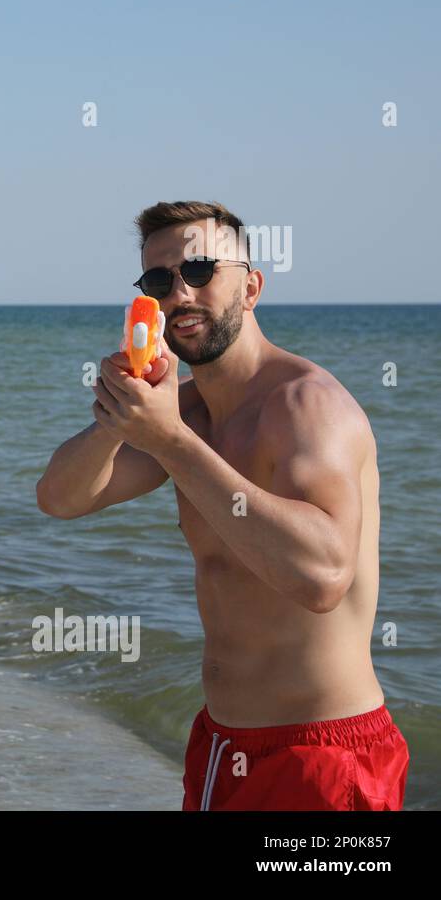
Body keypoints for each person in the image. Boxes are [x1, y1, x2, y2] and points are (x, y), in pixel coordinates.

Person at [36, 201, 408, 810]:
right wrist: (119, 413)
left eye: (201, 269)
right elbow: (58, 498)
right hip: (218, 748)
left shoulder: (305, 408)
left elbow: (322, 577)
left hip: (321, 758)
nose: (180, 292)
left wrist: (171, 442)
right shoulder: (182, 412)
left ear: (252, 285)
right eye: (159, 280)